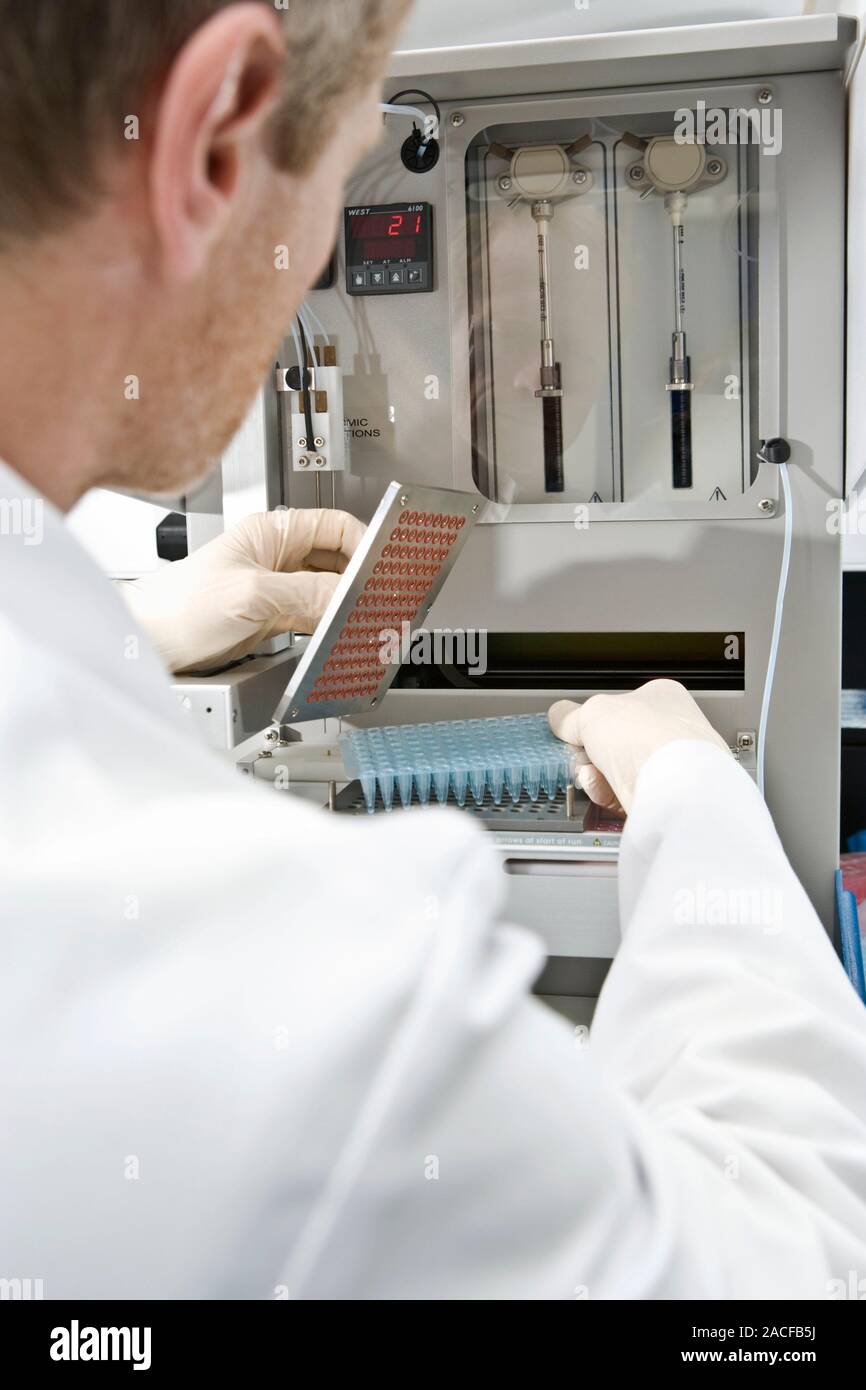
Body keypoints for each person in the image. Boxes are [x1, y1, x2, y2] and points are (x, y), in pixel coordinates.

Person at [1, 0, 865, 1302]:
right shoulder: (327, 1000)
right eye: (348, 165)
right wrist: (695, 799)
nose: (319, 273)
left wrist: (136, 631)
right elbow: (779, 1285)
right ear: (215, 141)